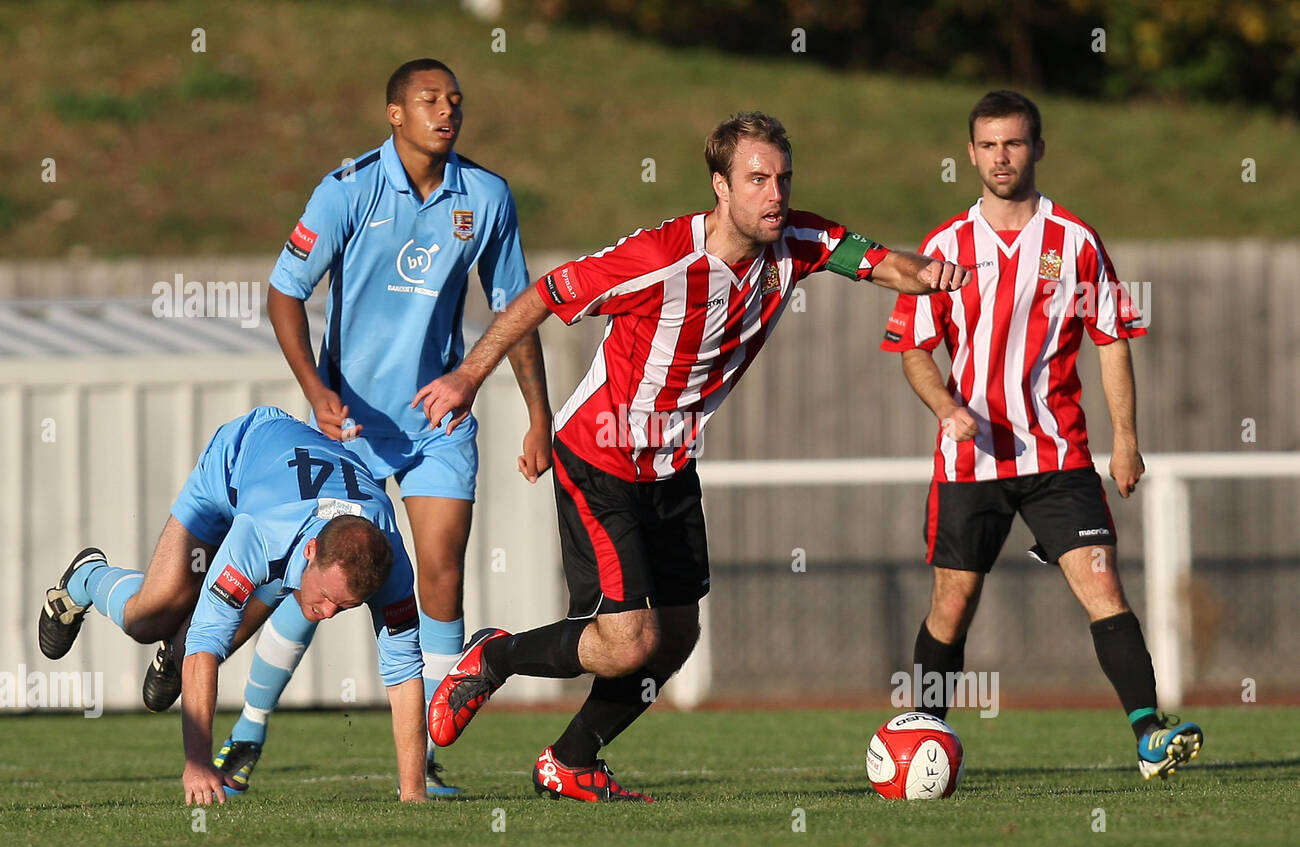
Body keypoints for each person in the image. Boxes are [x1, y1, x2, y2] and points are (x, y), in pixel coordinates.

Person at [417, 111, 969, 802]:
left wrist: (933, 273)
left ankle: (572, 759)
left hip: (671, 467)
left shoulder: (799, 239)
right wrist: (469, 376)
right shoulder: (659, 258)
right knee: (626, 643)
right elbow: (543, 296)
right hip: (600, 457)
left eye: (783, 178)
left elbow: (880, 260)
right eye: (758, 180)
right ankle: (494, 655)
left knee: (674, 637)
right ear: (721, 186)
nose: (776, 194)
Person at [143, 58, 553, 797]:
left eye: (455, 100)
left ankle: (419, 762)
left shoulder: (486, 196)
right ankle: (242, 728)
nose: (446, 111)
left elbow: (515, 308)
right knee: (309, 579)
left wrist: (537, 415)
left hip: (436, 424)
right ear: (394, 114)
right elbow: (283, 293)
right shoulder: (347, 190)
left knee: (440, 577)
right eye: (429, 100)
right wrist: (317, 390)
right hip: (352, 426)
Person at [881, 90, 1202, 779]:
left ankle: (1148, 735)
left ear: (1038, 147)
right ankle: (922, 741)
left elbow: (1112, 337)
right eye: (989, 145)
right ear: (970, 154)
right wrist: (946, 407)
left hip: (1058, 454)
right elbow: (914, 349)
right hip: (969, 460)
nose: (1002, 157)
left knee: (1102, 581)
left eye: (1015, 143)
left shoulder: (1075, 241)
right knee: (953, 601)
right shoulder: (944, 246)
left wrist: (1126, 440)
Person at [38, 406, 428, 805]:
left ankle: (174, 655)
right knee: (150, 618)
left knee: (194, 642)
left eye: (344, 606)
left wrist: (414, 793)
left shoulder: (391, 565)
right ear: (311, 551)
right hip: (231, 468)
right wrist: (197, 762)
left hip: (290, 498)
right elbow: (206, 644)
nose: (328, 613)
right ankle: (86, 577)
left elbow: (404, 673)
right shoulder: (259, 537)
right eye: (327, 598)